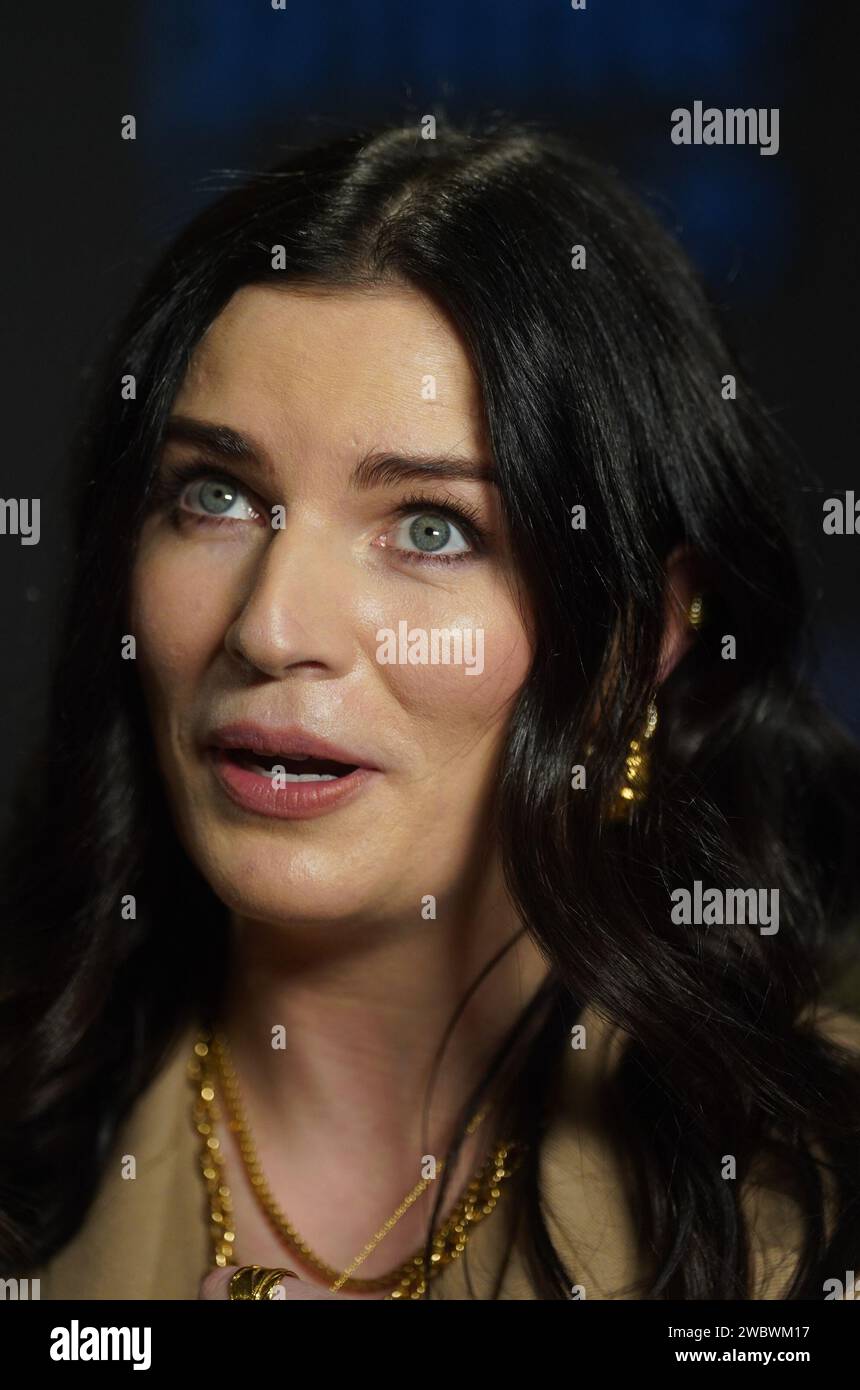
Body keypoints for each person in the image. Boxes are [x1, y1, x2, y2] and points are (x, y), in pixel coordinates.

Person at [2, 120, 859, 1302]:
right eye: (216, 494)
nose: (271, 627)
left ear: (641, 636)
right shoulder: (30, 1117)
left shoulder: (809, 1190)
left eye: (430, 527)